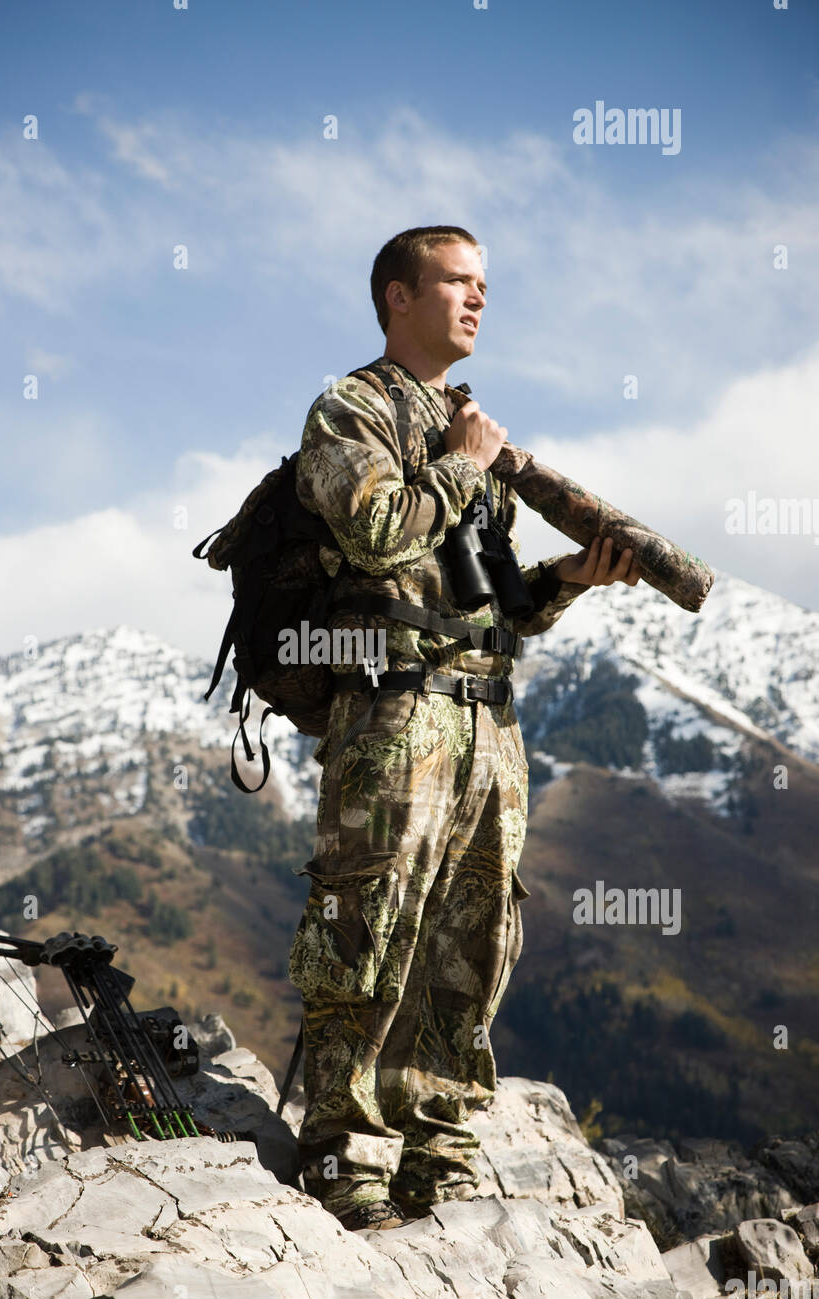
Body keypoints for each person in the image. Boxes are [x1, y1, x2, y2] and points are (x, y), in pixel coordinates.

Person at [287, 225, 642, 1231]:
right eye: (455, 282)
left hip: (487, 717)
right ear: (398, 296)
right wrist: (457, 463)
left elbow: (485, 602)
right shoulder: (348, 407)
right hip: (392, 712)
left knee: (475, 935)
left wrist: (567, 579)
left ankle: (435, 1144)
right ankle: (344, 1151)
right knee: (365, 923)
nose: (477, 299)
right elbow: (375, 530)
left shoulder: (469, 430)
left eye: (484, 284)